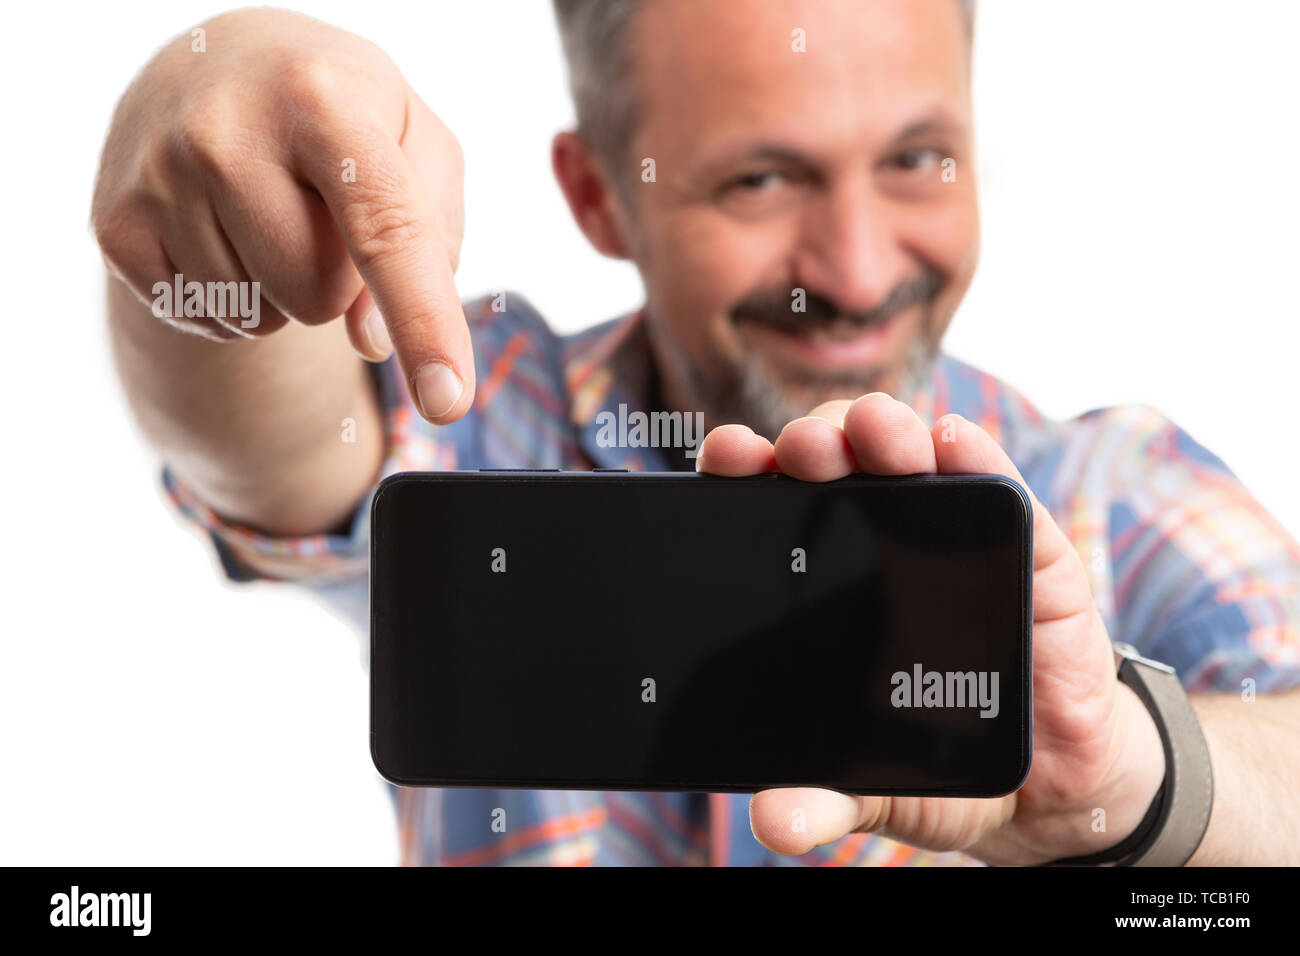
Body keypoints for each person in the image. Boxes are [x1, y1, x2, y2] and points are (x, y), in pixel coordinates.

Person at [92, 0, 1300, 866]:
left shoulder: (1111, 487)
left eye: (917, 159)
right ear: (596, 195)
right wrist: (212, 118)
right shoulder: (487, 426)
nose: (859, 267)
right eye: (759, 181)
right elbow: (251, 431)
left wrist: (1133, 771)